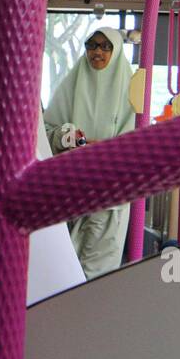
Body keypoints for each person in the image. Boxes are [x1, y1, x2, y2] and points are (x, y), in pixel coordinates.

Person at [44, 26, 136, 279]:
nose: (97, 52)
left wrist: (105, 149)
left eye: (105, 47)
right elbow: (47, 130)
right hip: (70, 189)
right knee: (63, 264)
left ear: (115, 51)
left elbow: (137, 143)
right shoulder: (72, 84)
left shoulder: (132, 90)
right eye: (91, 45)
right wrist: (72, 137)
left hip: (109, 193)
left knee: (97, 271)